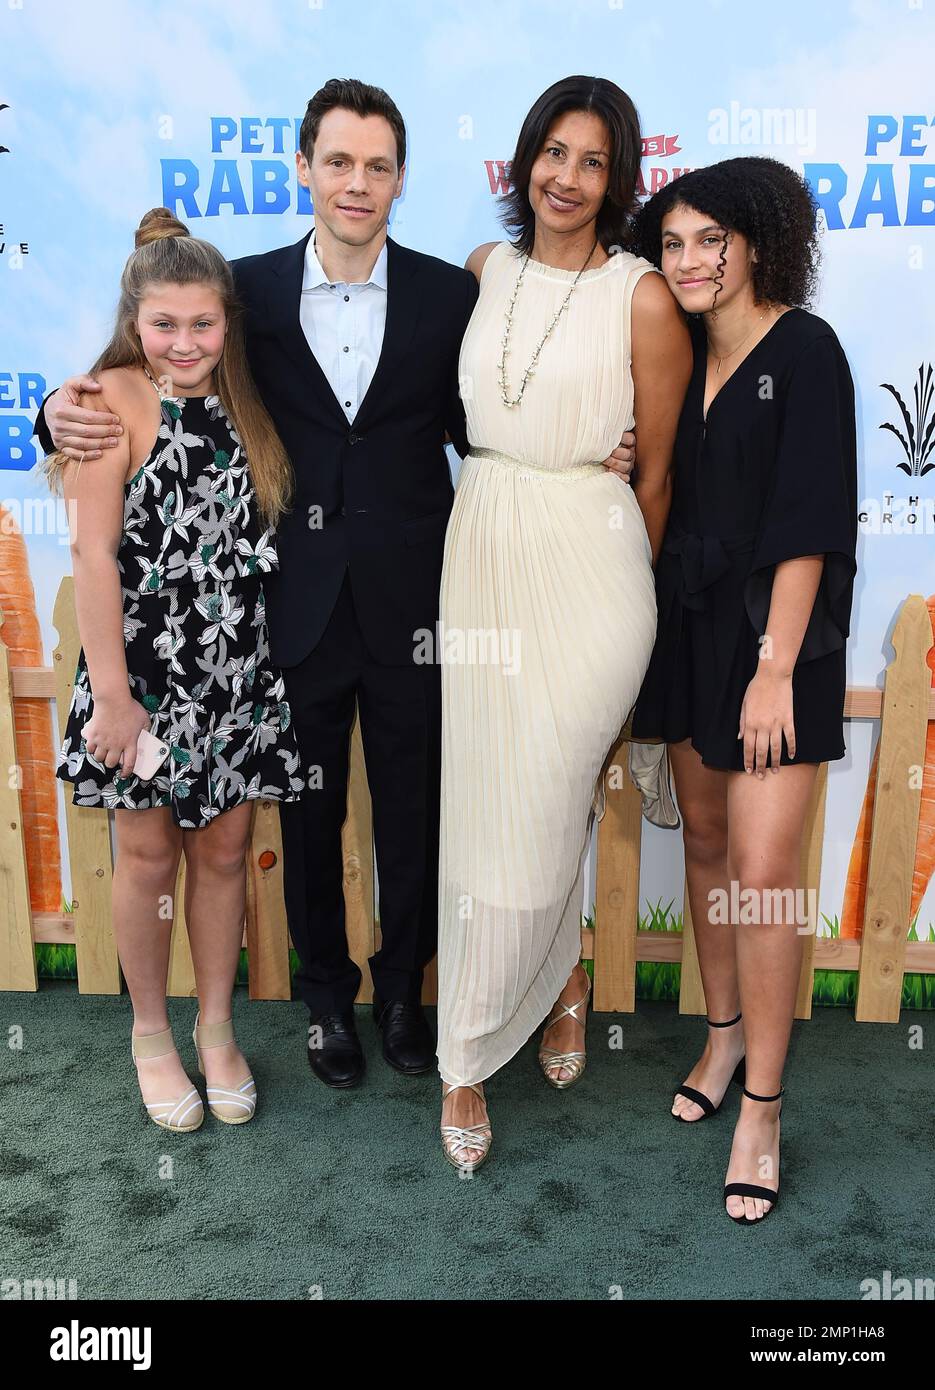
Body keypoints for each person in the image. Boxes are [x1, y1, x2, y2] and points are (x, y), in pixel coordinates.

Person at [37, 79, 638, 1095]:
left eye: (377, 165)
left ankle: (404, 991)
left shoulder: (457, 297)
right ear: (305, 168)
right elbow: (149, 368)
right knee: (306, 819)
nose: (357, 183)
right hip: (287, 608)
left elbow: (489, 422)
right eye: (338, 161)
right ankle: (325, 1004)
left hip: (420, 601)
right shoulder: (248, 295)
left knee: (413, 808)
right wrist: (59, 405)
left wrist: (589, 449)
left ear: (400, 178)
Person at [435, 76, 692, 1171]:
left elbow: (660, 479)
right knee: (486, 803)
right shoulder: (481, 271)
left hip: (591, 565)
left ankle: (552, 982)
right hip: (482, 542)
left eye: (592, 160)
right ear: (521, 158)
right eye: (552, 151)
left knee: (548, 798)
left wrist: (602, 541)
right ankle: (483, 1039)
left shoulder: (641, 295)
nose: (566, 177)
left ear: (616, 177)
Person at [629, 156, 858, 1223]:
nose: (687, 261)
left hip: (781, 638)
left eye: (707, 241)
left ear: (757, 241)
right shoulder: (670, 349)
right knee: (708, 846)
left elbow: (812, 516)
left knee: (764, 870)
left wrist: (774, 667)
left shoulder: (805, 350)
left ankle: (761, 1105)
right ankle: (718, 1039)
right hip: (687, 621)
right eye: (670, 243)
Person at [45, 207, 303, 1131]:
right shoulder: (107, 401)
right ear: (134, 319)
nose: (184, 341)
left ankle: (217, 1029)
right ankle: (151, 1035)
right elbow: (92, 557)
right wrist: (113, 698)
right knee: (148, 857)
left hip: (233, 670)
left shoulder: (245, 399)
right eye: (165, 324)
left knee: (226, 853)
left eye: (202, 323)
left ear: (226, 322)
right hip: (143, 677)